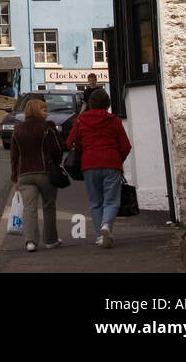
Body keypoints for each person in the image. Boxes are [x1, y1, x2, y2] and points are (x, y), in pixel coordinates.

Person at [66, 87, 131, 249]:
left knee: (95, 202)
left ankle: (100, 237)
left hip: (89, 164)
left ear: (90, 104)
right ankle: (107, 226)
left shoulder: (81, 120)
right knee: (112, 200)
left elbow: (70, 143)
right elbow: (125, 146)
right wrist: (118, 159)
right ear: (107, 104)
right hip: (111, 162)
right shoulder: (114, 121)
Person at [9, 97, 63, 252]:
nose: (47, 113)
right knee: (48, 206)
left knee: (29, 208)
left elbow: (14, 157)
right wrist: (56, 162)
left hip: (25, 174)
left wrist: (15, 178)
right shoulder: (47, 128)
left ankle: (30, 241)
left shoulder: (17, 130)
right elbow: (57, 150)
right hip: (45, 172)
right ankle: (51, 240)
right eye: (44, 110)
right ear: (36, 111)